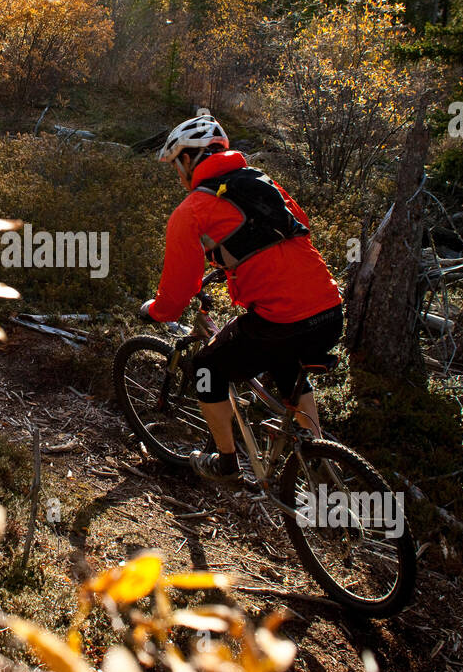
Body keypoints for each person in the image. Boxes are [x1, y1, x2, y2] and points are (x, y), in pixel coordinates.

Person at [141, 113, 343, 482]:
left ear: (188, 159)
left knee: (205, 369)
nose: (178, 176)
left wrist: (157, 311)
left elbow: (177, 293)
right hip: (329, 310)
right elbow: (297, 228)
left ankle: (226, 460)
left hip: (282, 321)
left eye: (176, 166)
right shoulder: (263, 181)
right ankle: (317, 454)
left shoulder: (192, 211)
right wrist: (234, 260)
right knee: (286, 362)